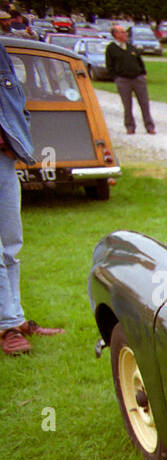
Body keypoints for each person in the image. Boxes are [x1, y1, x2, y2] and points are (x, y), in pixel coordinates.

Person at [1, 8, 64, 357]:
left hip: (3, 158)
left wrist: (16, 140)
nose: (10, 25)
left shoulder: (3, 55)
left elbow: (14, 104)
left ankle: (16, 318)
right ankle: (8, 326)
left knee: (11, 243)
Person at [106, 25, 154, 135]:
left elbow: (139, 61)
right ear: (116, 34)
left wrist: (143, 73)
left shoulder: (131, 47)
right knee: (127, 105)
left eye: (125, 32)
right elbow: (109, 65)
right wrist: (116, 78)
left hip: (138, 79)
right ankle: (130, 126)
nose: (125, 34)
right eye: (122, 32)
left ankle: (149, 126)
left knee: (144, 103)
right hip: (123, 80)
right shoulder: (111, 48)